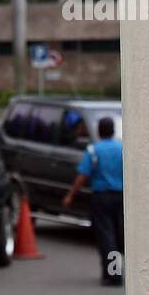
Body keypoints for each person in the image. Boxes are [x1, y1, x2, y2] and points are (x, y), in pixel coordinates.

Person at [62, 116, 125, 285]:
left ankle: (113, 274)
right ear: (112, 131)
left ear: (99, 131)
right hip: (122, 197)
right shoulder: (122, 148)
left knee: (107, 236)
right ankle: (117, 269)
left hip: (102, 197)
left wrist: (70, 195)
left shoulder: (93, 150)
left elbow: (83, 175)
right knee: (120, 235)